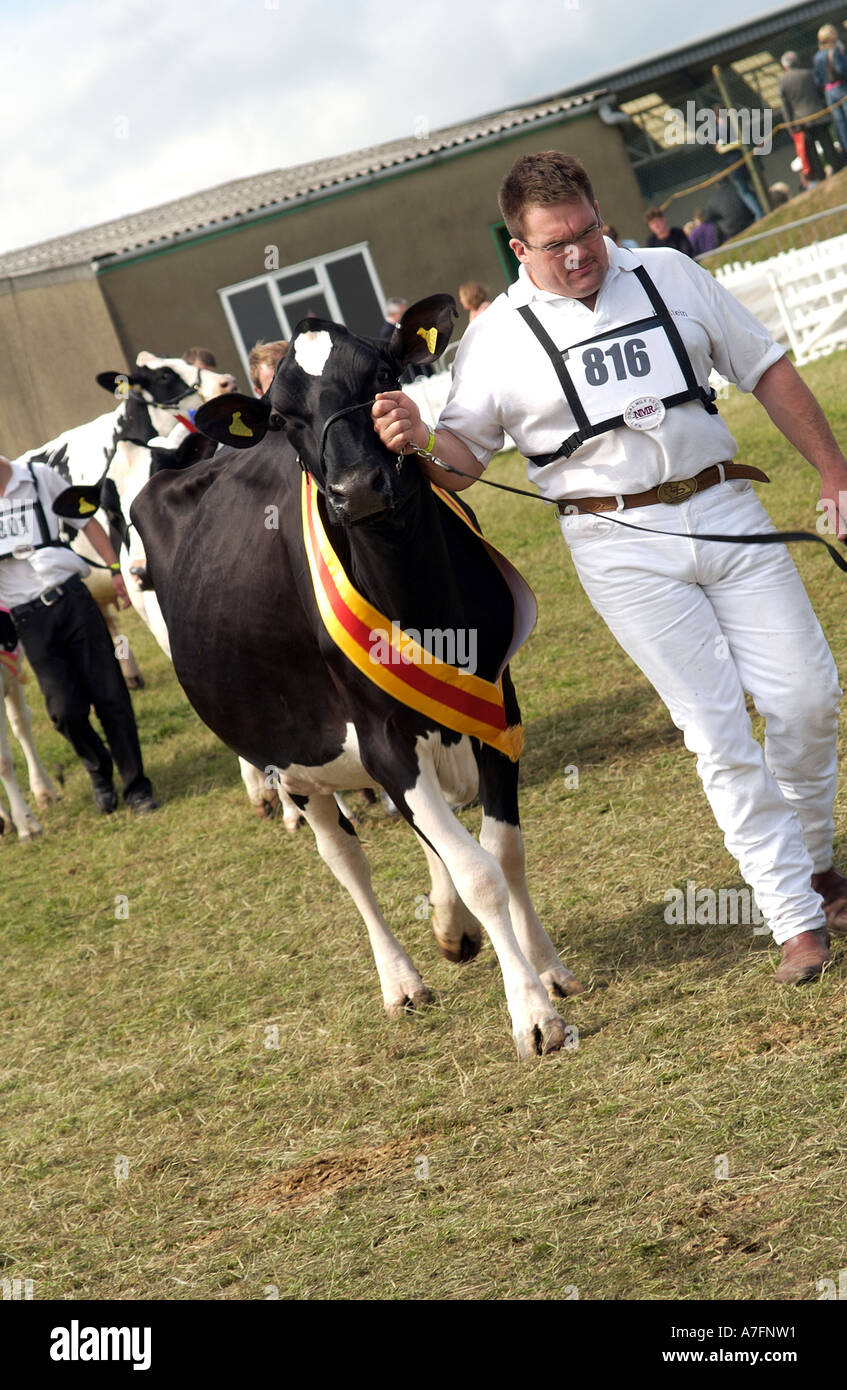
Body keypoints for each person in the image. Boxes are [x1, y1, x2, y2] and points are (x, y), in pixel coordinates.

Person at [372, 149, 847, 987]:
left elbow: (765, 365)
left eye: (587, 231)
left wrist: (833, 472)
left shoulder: (667, 272)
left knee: (806, 699)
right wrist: (417, 439)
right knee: (717, 730)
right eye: (555, 244)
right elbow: (460, 459)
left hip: (723, 502)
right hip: (618, 540)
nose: (580, 253)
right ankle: (793, 919)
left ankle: (812, 860)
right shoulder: (494, 341)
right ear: (517, 250)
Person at [0, 453, 157, 814]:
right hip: (27, 617)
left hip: (71, 599)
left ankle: (136, 786)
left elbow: (85, 521)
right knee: (63, 711)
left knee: (111, 696)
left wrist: (115, 568)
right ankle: (99, 770)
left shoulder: (37, 477)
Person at [780, 50, 841, 181]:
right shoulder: (809, 74)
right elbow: (820, 92)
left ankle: (820, 176)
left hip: (801, 121)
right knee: (827, 143)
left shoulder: (783, 81)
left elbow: (786, 107)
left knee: (811, 151)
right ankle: (837, 168)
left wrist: (790, 126)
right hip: (818, 114)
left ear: (785, 66)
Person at [813, 24, 847, 161]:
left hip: (828, 92)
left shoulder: (817, 56)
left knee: (840, 124)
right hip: (842, 88)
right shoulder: (835, 51)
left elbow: (817, 79)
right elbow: (841, 69)